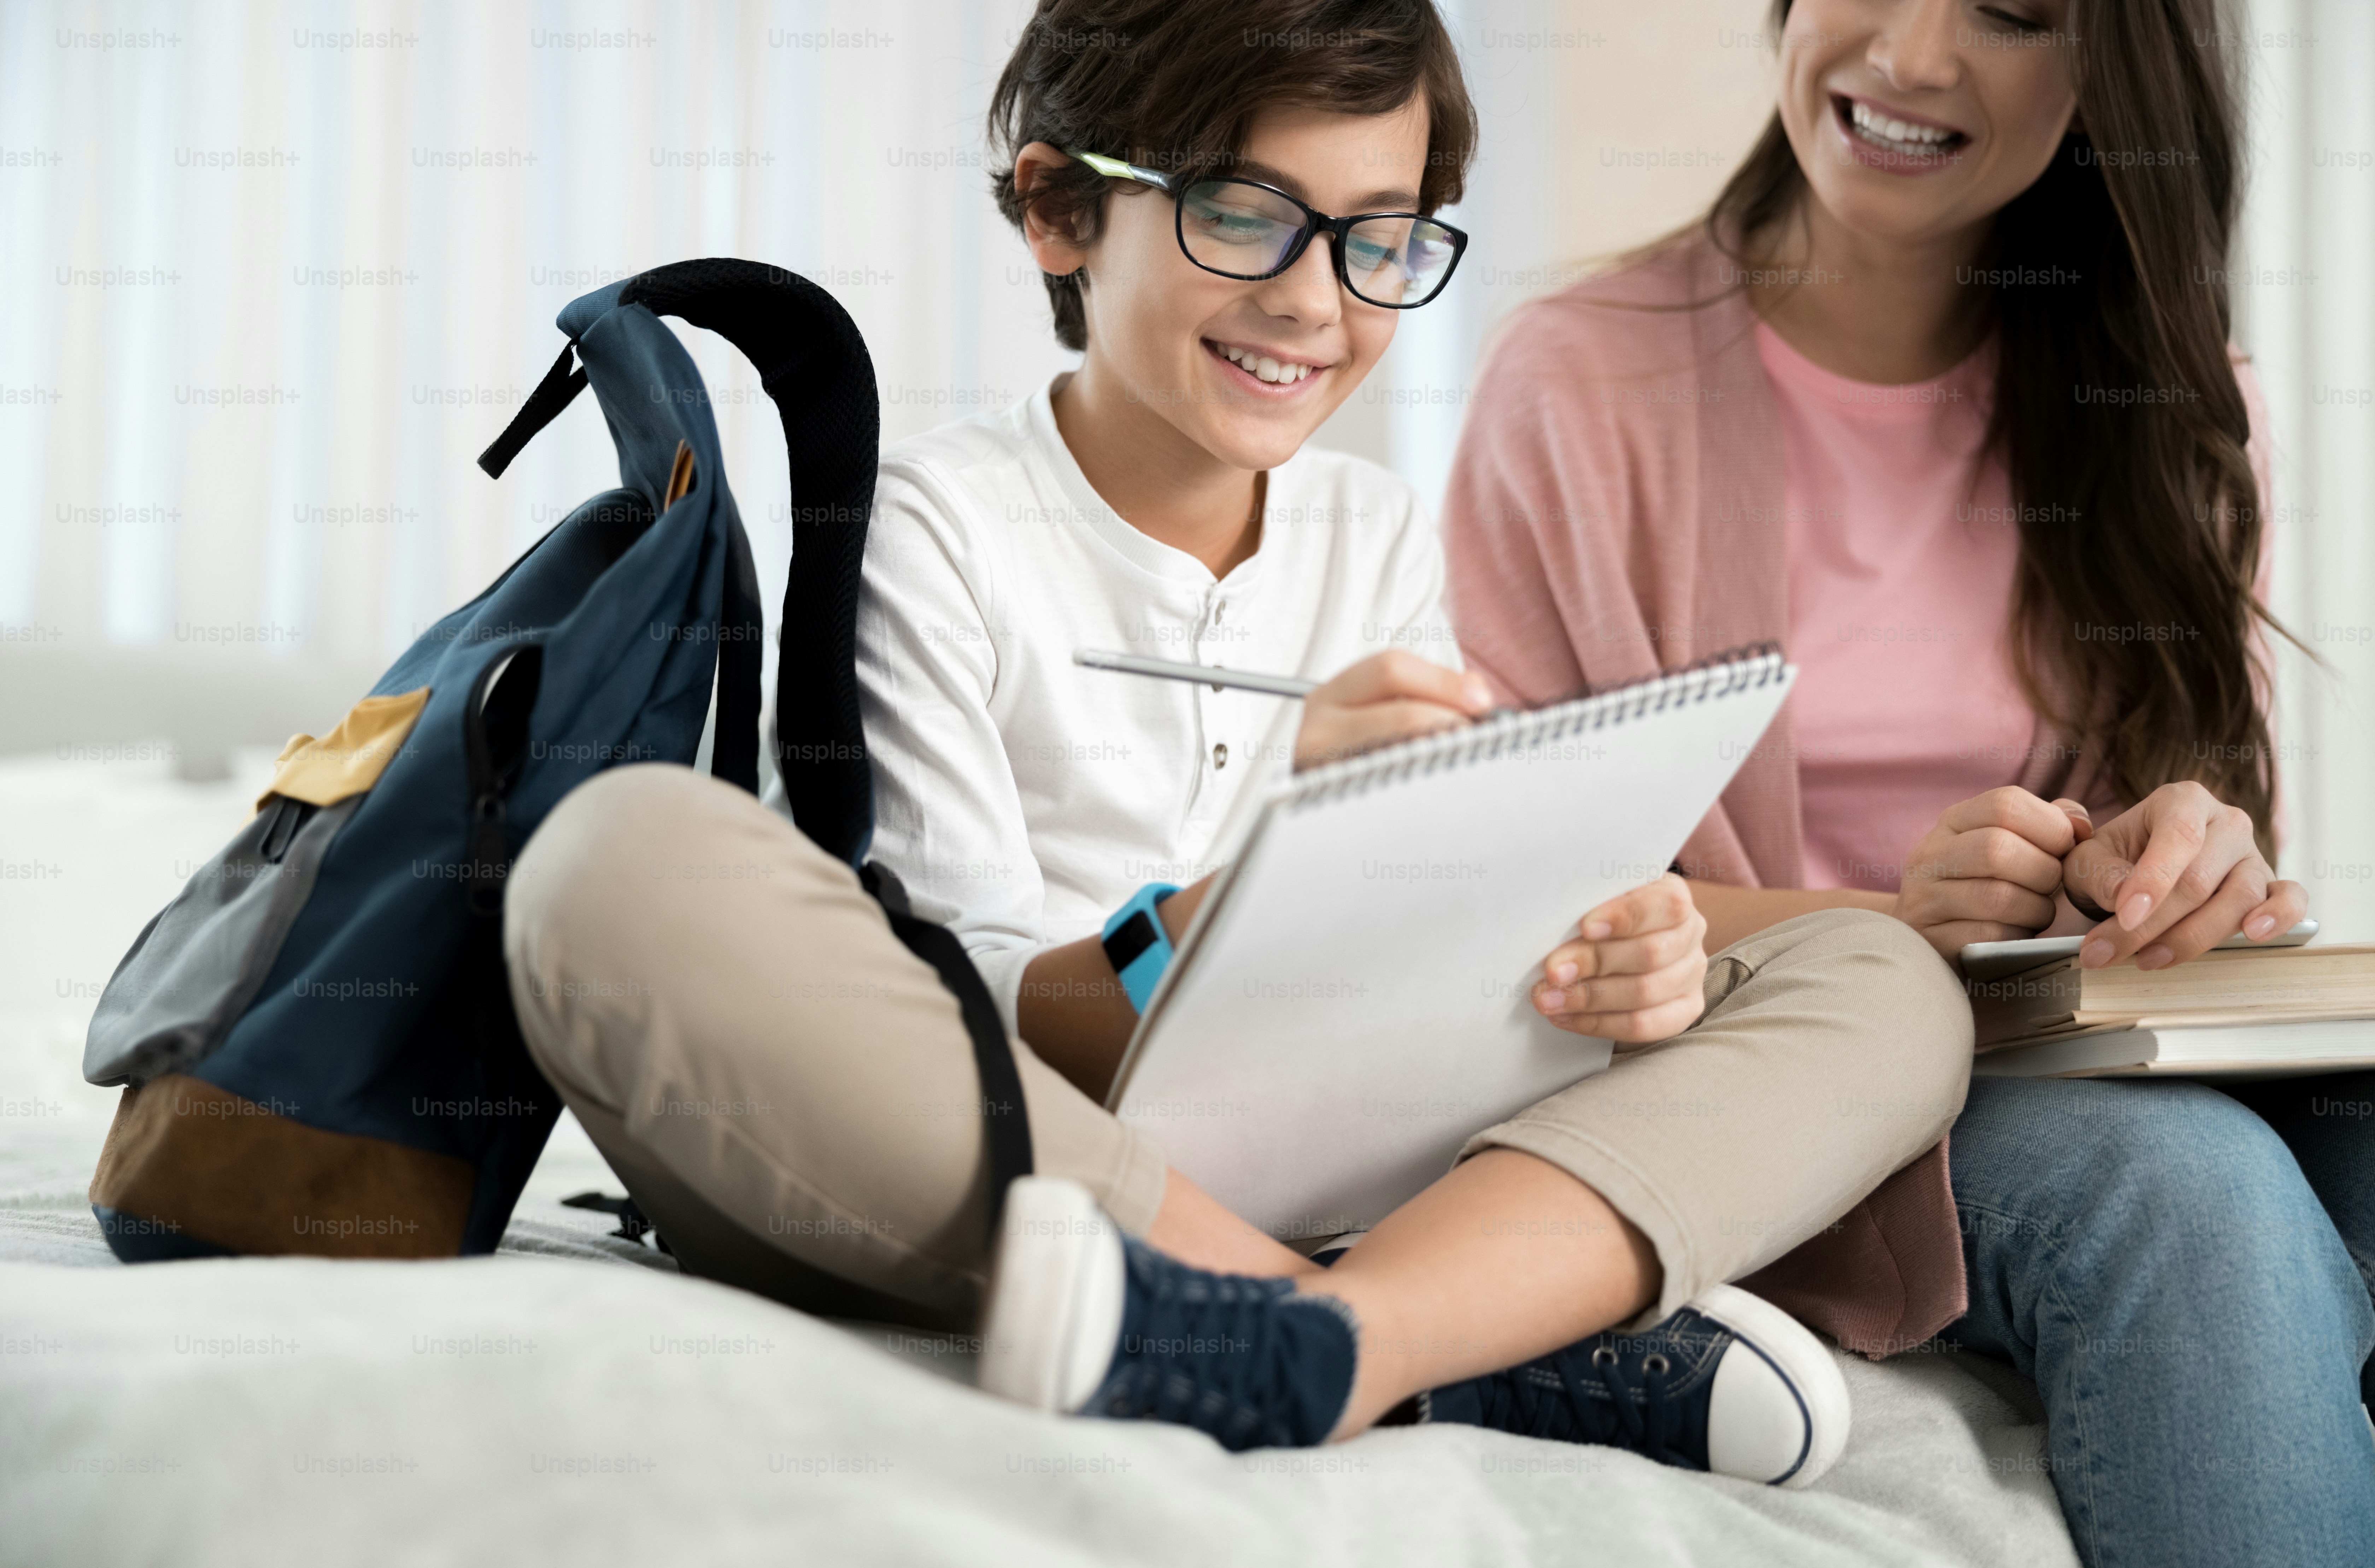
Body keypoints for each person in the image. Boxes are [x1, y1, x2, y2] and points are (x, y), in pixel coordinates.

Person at [500, 0, 1973, 1481]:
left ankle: (1328, 1338)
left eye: (1379, 238)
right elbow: (981, 1011)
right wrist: (1264, 883)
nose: (1315, 300)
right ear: (1061, 209)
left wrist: (1617, 948)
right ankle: (1408, 1335)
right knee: (612, 865)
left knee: (1892, 985)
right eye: (1244, 216)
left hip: (1336, 1148)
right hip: (1008, 1157)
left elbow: (1446, 964)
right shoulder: (930, 532)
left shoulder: (1376, 534)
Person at [1443, 0, 2375, 1568]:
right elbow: (1521, 905)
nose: (1914, 54)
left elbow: (2185, 822)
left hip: (2057, 1057)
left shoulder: (2175, 407)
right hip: (1749, 1079)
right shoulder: (1581, 383)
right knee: (2191, 1196)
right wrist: (1887, 925)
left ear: (2105, 78)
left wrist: (2171, 852)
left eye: (2012, 11)